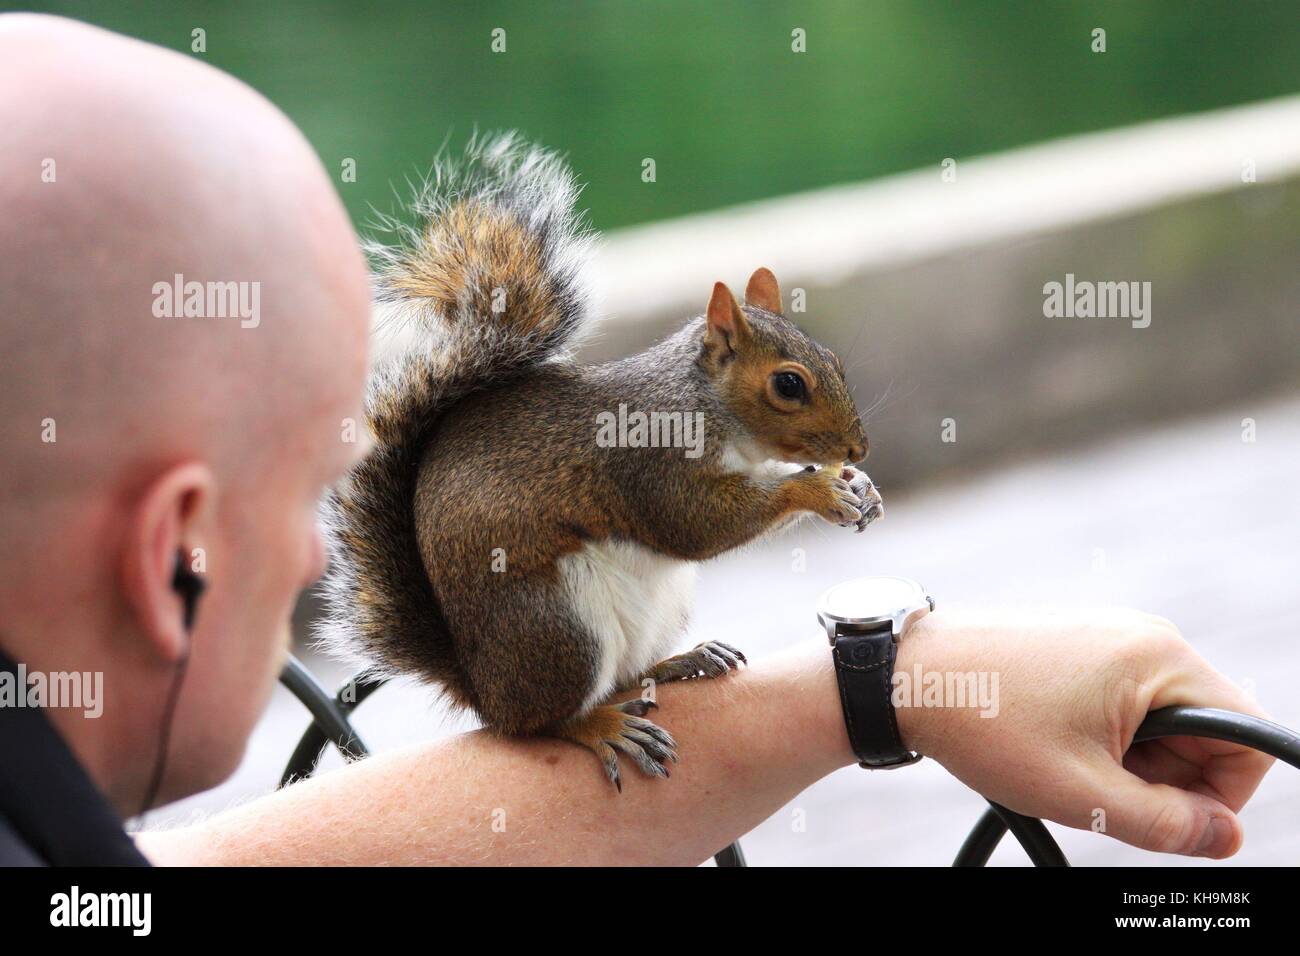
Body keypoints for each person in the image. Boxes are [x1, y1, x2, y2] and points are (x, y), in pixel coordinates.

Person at [0, 14, 1273, 867]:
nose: (312, 559)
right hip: (537, 613)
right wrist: (814, 544)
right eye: (297, 494)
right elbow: (674, 518)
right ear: (172, 549)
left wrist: (870, 689)